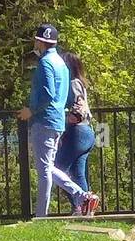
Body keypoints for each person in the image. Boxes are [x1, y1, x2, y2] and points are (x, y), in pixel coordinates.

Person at [16, 24, 96, 217]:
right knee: (50, 167)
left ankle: (43, 216)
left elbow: (48, 95)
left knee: (45, 170)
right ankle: (82, 198)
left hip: (44, 120)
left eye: (36, 40)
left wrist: (30, 111)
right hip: (58, 121)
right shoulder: (61, 63)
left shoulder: (45, 63)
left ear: (40, 42)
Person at [56, 51, 99, 215]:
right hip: (86, 132)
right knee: (78, 173)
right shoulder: (80, 83)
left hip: (77, 133)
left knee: (56, 169)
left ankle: (79, 204)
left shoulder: (73, 84)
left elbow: (77, 112)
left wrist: (63, 117)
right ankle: (86, 208)